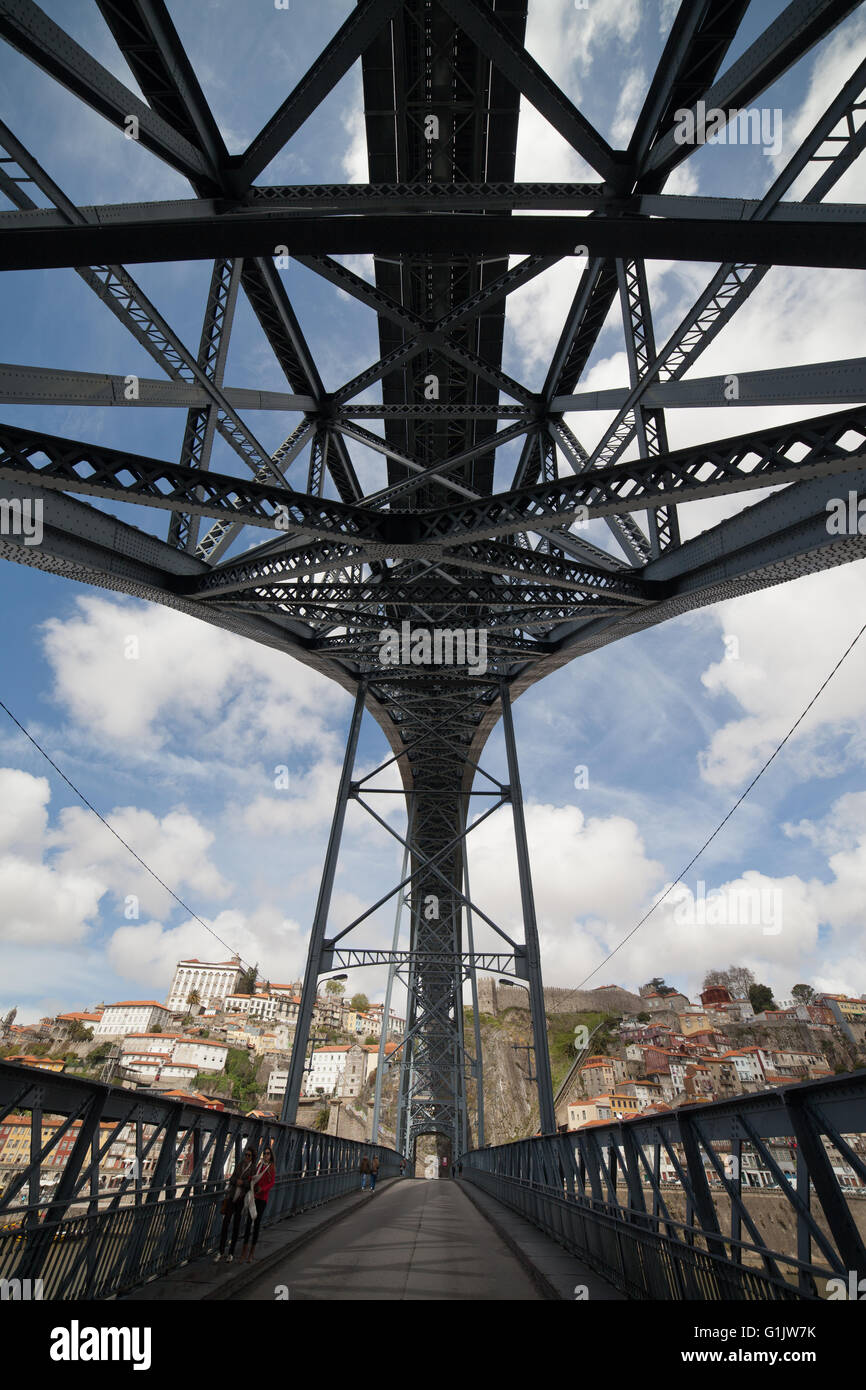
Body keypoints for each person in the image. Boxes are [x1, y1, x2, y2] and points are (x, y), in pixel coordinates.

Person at [215, 1144, 255, 1263]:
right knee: (225, 1224)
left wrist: (242, 1183)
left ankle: (231, 1253)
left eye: (249, 1155)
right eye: (246, 1155)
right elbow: (231, 1178)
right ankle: (221, 1251)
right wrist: (235, 1181)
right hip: (232, 1197)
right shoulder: (239, 1165)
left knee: (236, 1226)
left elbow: (252, 1184)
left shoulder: (253, 1169)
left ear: (252, 1157)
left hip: (241, 1199)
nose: (247, 1157)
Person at [239, 1145, 276, 1263]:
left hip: (262, 1199)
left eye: (267, 1153)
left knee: (256, 1225)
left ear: (271, 1156)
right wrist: (247, 1179)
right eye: (264, 1153)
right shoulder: (259, 1166)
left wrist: (263, 1189)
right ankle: (243, 1253)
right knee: (249, 1223)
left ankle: (251, 1254)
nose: (265, 1155)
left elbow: (272, 1183)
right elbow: (254, 1178)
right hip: (253, 1197)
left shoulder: (271, 1168)